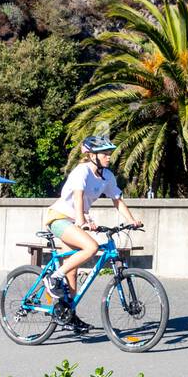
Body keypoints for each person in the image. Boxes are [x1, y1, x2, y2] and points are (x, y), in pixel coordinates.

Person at [42, 135, 143, 333]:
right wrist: (82, 220)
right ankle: (53, 278)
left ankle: (68, 315)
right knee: (91, 247)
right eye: (105, 154)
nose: (108, 157)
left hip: (76, 220)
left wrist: (131, 220)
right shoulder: (82, 171)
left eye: (109, 153)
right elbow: (78, 196)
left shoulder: (108, 176)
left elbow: (117, 200)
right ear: (92, 155)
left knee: (72, 272)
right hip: (59, 218)